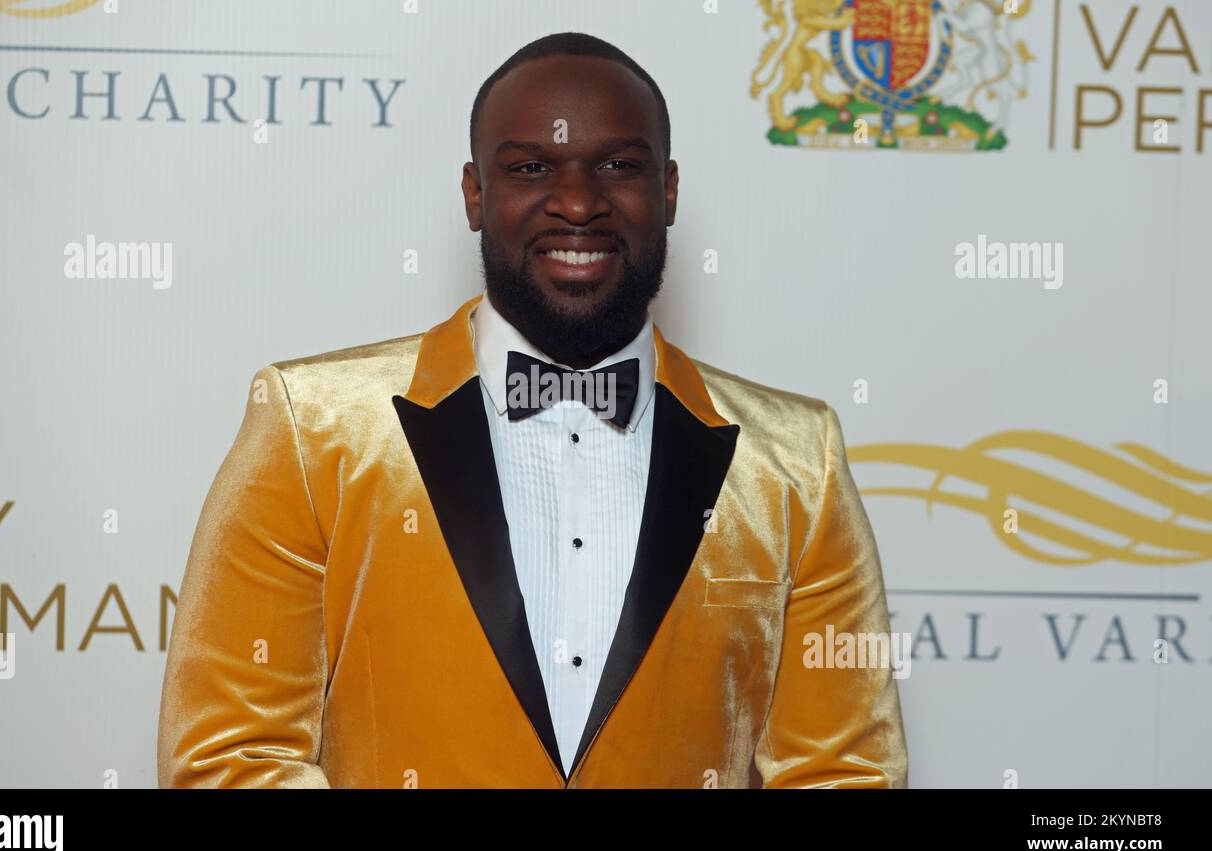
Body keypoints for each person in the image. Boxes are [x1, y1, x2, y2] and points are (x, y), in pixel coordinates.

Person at [157, 31, 907, 788]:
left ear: (669, 191)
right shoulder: (312, 427)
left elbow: (844, 771)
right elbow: (232, 758)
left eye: (618, 165)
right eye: (530, 168)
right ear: (475, 193)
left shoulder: (795, 461)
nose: (578, 203)